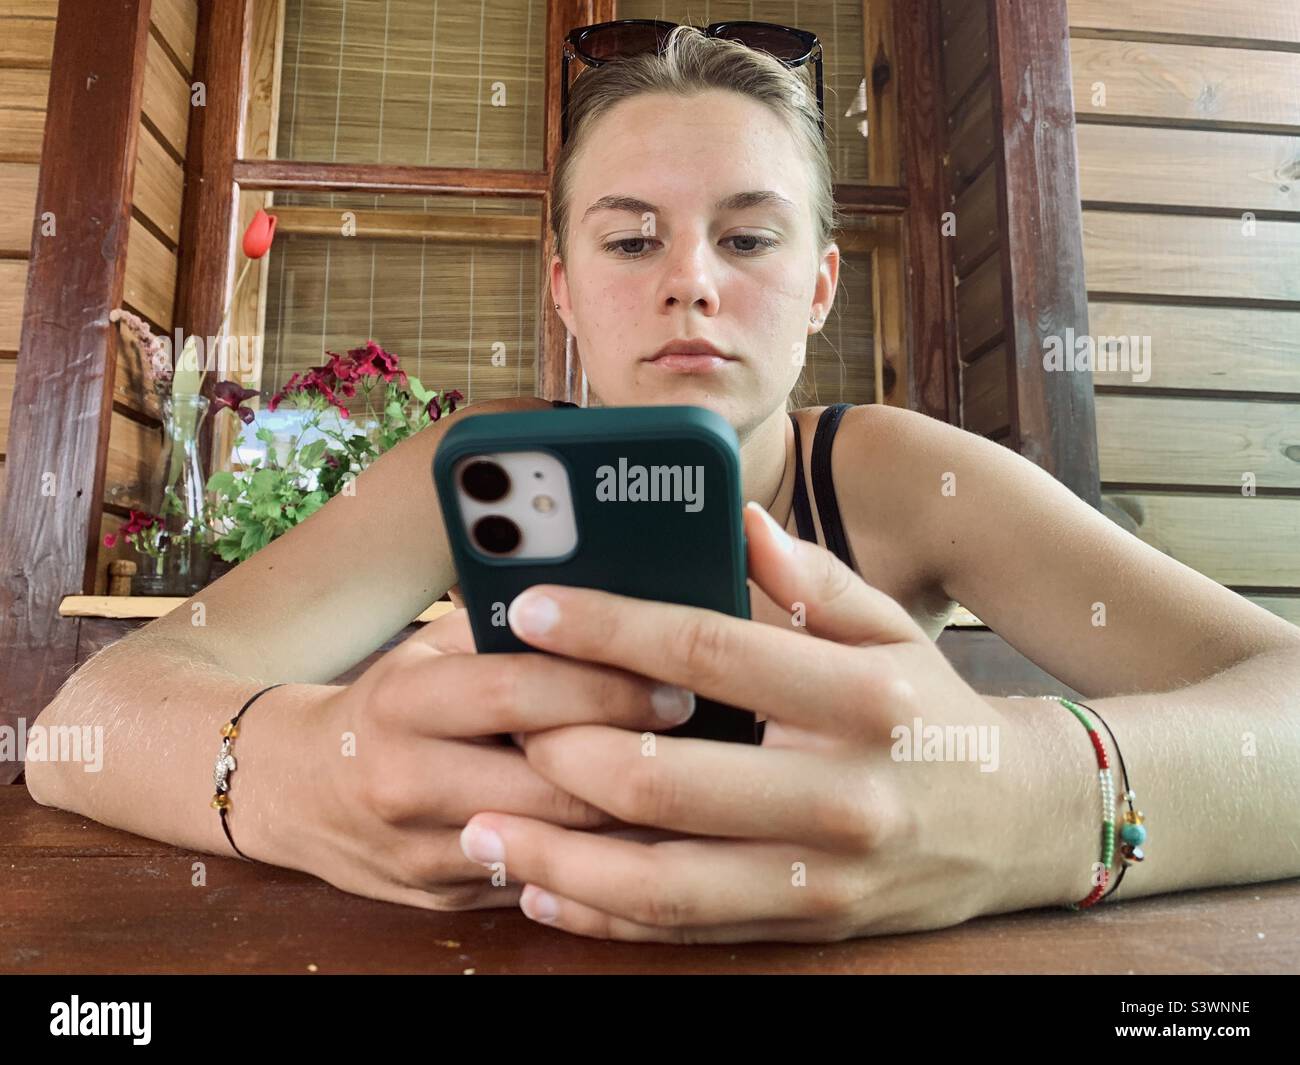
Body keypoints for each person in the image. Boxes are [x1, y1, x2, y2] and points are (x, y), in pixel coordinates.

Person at [25, 26, 1300, 945]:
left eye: (747, 239)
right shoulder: (467, 471)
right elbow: (98, 718)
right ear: (565, 290)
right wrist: (309, 769)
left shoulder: (903, 474)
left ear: (816, 291)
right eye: (631, 238)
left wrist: (1030, 802)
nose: (689, 278)